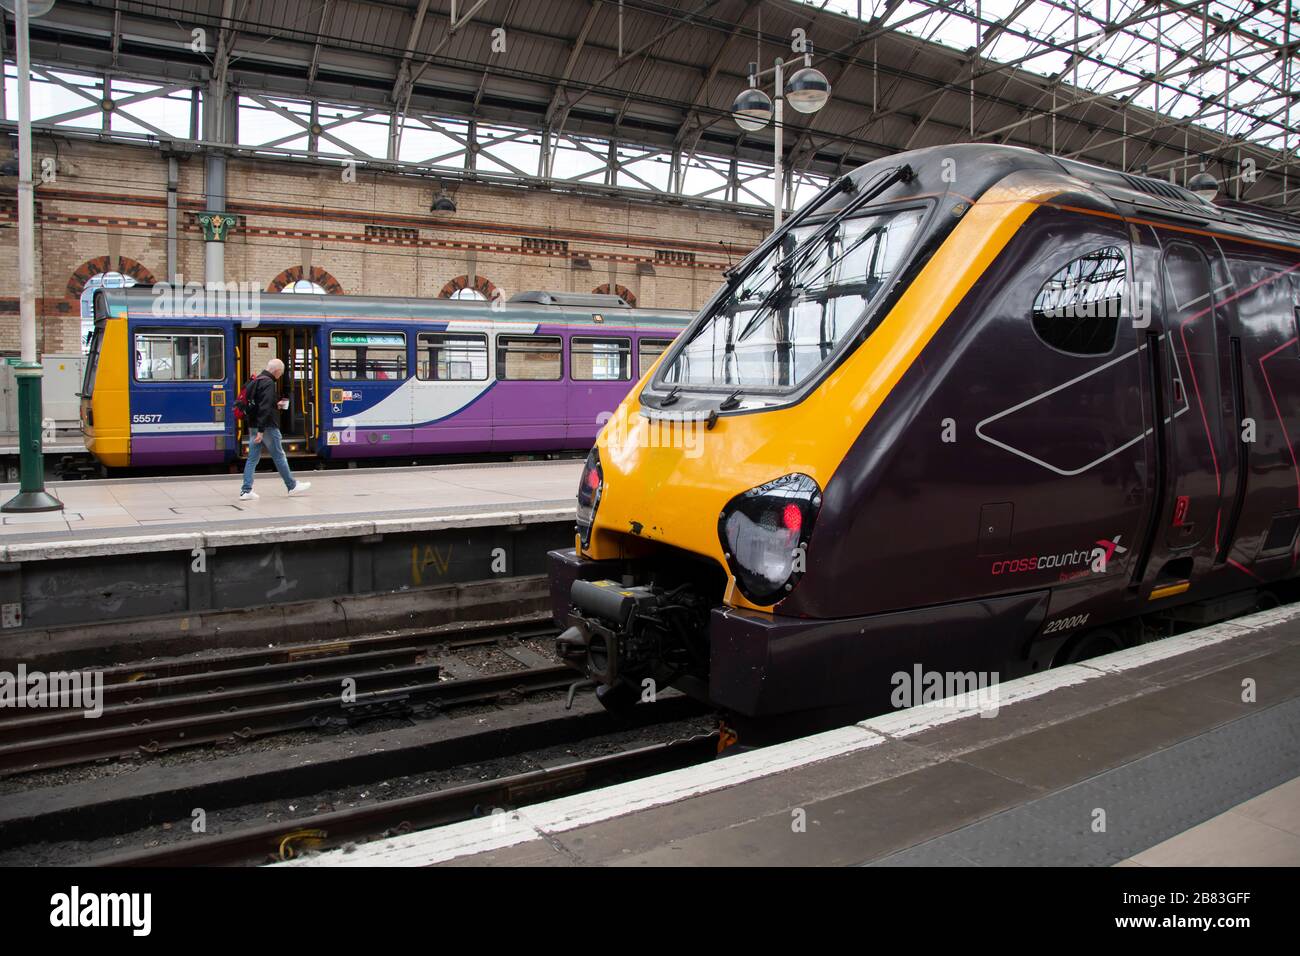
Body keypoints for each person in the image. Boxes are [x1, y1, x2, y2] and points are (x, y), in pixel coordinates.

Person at [239, 358, 311, 500]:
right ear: (277, 371)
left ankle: (246, 490)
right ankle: (292, 486)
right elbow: (264, 408)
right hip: (266, 427)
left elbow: (257, 404)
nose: (280, 376)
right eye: (281, 373)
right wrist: (261, 430)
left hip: (253, 425)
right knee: (279, 456)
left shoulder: (255, 380)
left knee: (252, 458)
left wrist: (275, 405)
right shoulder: (268, 383)